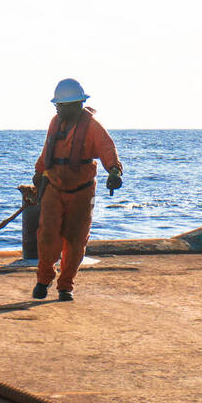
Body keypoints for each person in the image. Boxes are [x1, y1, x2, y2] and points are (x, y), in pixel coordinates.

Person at [31, 79, 122, 301]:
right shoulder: (55, 122)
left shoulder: (92, 127)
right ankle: (43, 280)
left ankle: (65, 286)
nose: (57, 108)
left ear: (74, 105)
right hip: (54, 187)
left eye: (60, 105)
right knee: (47, 236)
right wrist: (38, 172)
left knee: (75, 240)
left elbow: (107, 149)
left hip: (81, 192)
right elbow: (47, 151)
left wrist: (114, 172)